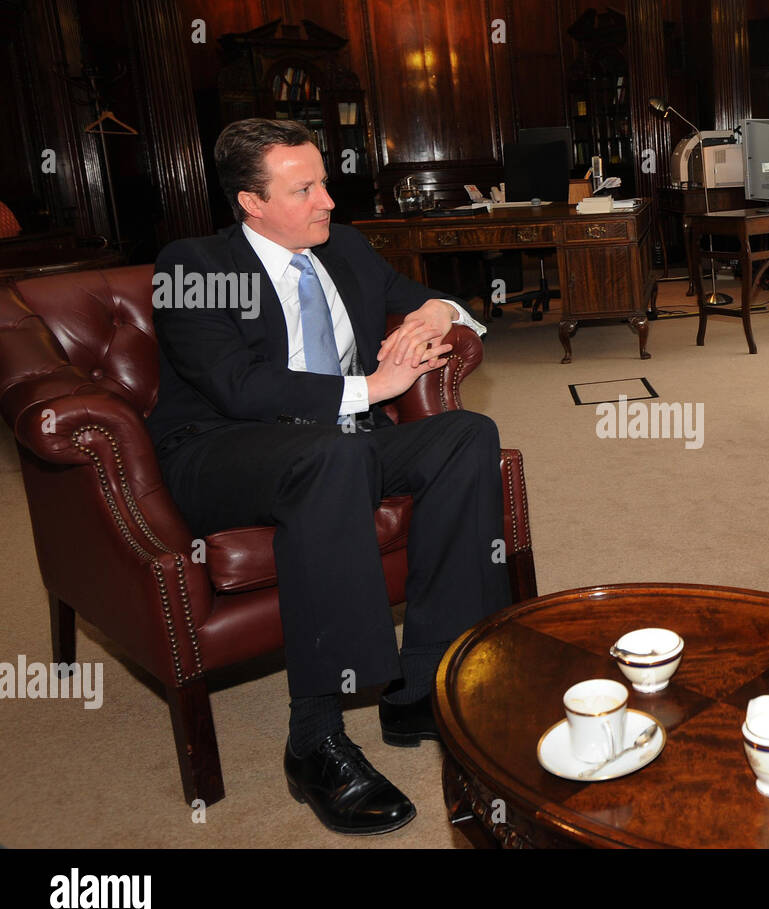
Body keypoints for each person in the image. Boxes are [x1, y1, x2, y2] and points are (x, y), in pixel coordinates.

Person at [148, 118, 511, 834]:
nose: (327, 202)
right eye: (304, 188)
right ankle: (315, 738)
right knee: (333, 454)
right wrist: (373, 389)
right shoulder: (194, 267)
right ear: (251, 203)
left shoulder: (341, 247)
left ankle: (420, 687)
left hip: (339, 444)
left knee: (467, 436)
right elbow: (239, 387)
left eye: (323, 182)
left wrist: (433, 311)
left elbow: (426, 296)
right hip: (222, 451)